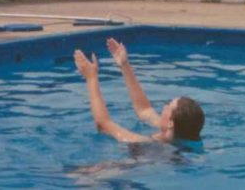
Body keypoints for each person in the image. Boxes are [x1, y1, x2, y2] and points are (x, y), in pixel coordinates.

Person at [73, 37, 205, 144]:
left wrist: (91, 78)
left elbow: (103, 125)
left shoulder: (147, 144)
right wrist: (124, 65)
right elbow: (144, 110)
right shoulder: (177, 134)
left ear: (170, 123)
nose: (164, 106)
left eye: (169, 106)